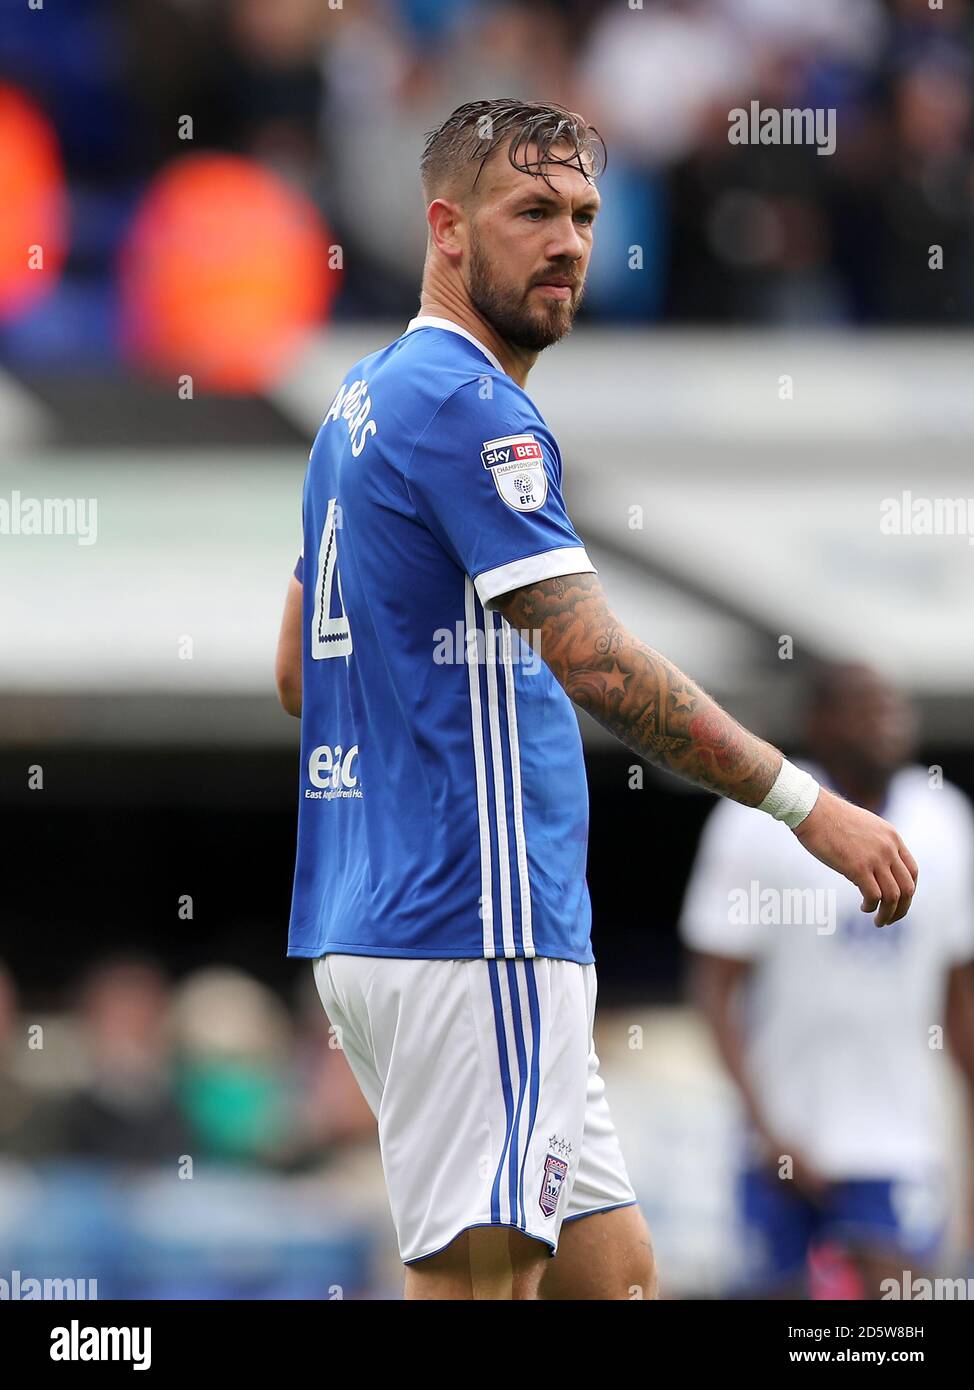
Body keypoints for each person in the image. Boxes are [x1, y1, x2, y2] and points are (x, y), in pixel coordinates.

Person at [274, 99, 918, 1301]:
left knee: (611, 1278)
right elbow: (600, 665)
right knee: (478, 1293)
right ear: (446, 229)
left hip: (380, 919)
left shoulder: (357, 406)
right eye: (531, 214)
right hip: (476, 923)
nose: (568, 243)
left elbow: (291, 668)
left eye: (580, 216)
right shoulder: (473, 411)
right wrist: (803, 805)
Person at [679, 663, 974, 1298]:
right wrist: (766, 1126)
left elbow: (959, 996)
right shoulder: (756, 821)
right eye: (865, 709)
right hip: (782, 1141)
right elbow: (715, 989)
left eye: (896, 710)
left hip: (898, 1142)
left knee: (893, 1324)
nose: (887, 725)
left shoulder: (945, 822)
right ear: (819, 722)